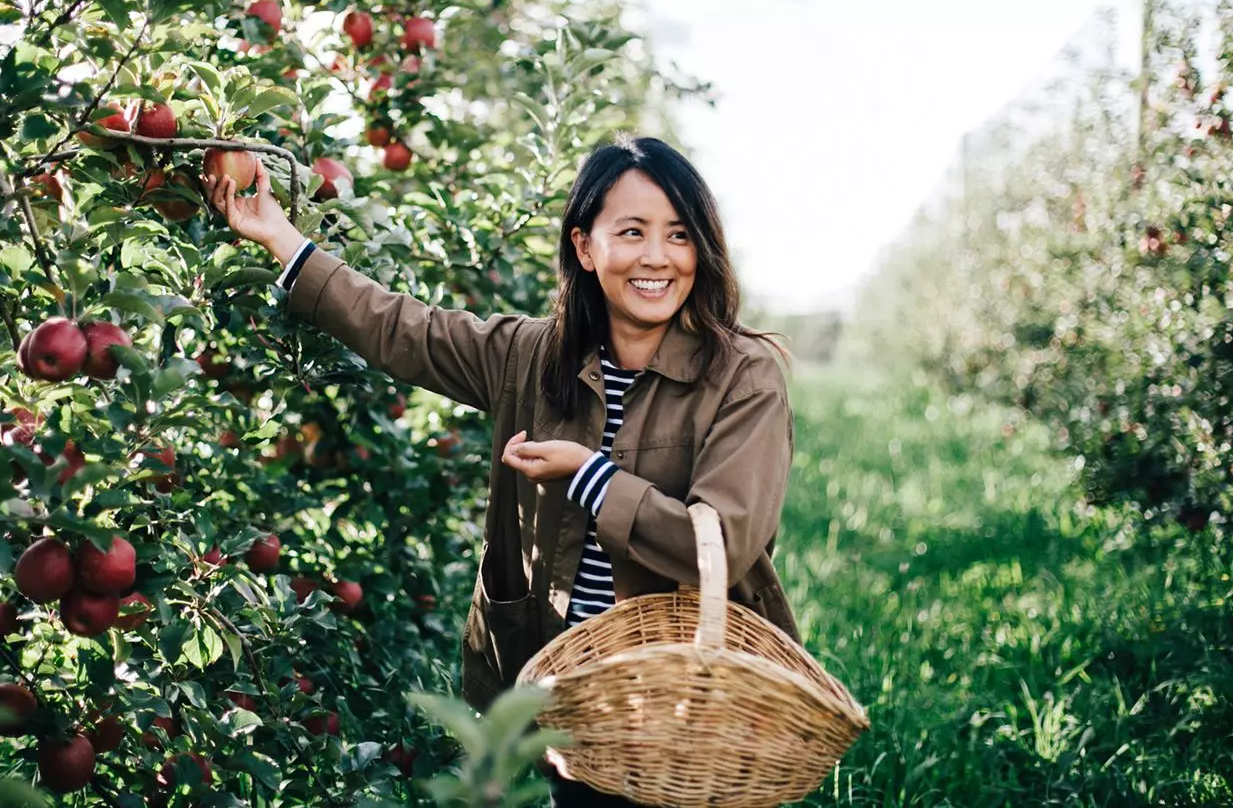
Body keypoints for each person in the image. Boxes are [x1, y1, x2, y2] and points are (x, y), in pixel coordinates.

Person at [204, 134, 799, 807]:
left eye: (680, 235)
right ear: (585, 245)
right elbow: (404, 330)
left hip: (689, 704)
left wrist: (590, 477)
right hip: (566, 698)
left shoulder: (742, 377)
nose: (657, 257)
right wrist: (282, 238)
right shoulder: (532, 356)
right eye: (632, 232)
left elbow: (719, 542)